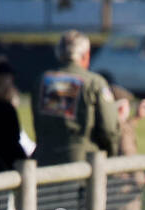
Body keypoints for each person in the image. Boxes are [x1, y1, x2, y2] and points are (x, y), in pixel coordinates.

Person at [32, 30, 120, 167]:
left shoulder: (42, 81)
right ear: (86, 55)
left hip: (45, 164)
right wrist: (112, 154)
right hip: (83, 164)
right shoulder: (94, 83)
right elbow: (109, 129)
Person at [108, 85, 145, 210]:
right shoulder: (123, 130)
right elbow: (129, 154)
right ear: (121, 108)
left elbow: (122, 129)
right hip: (124, 195)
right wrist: (141, 181)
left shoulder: (107, 126)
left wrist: (136, 118)